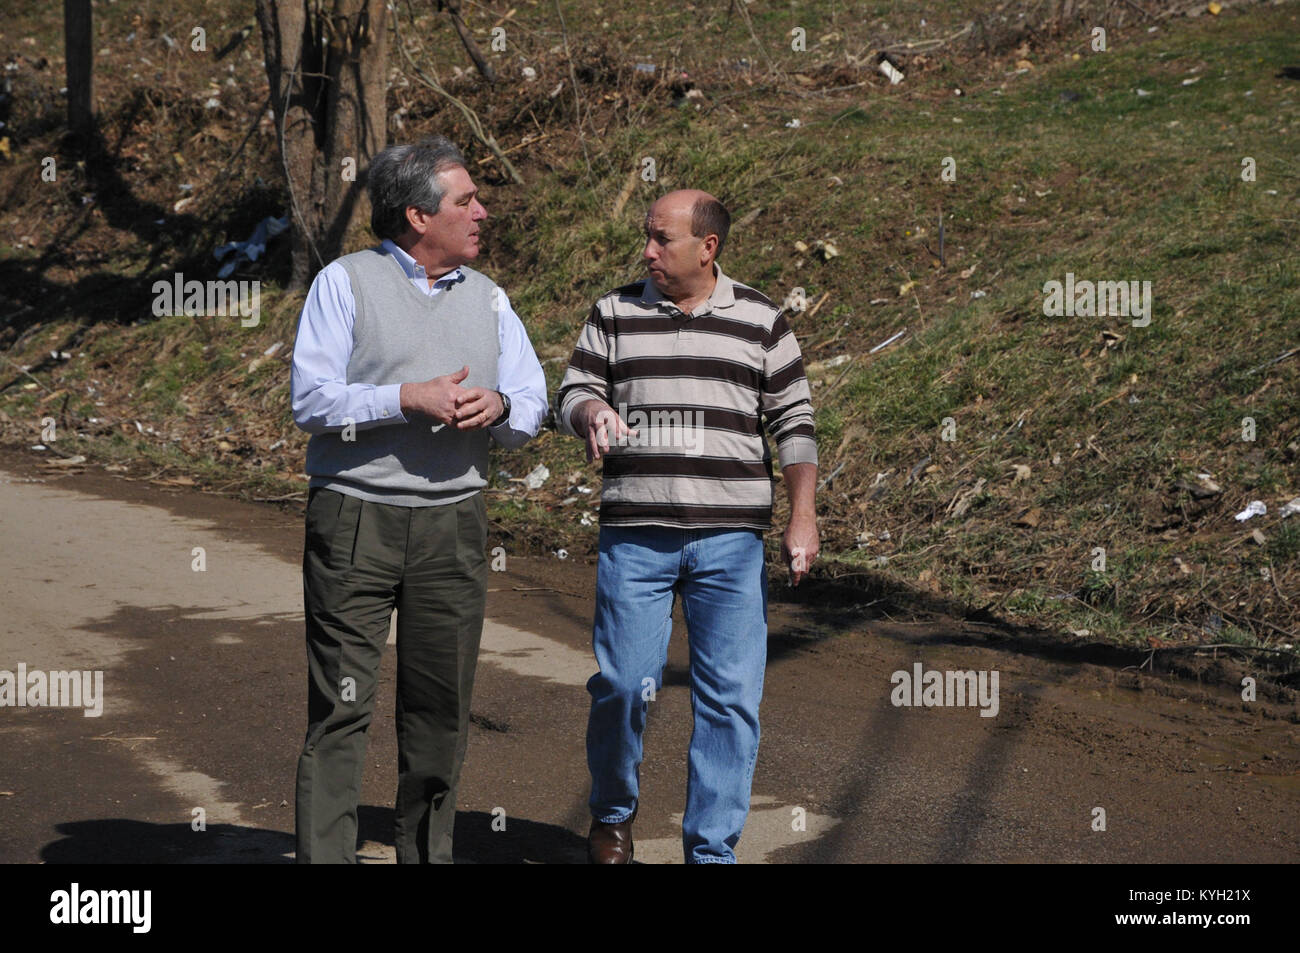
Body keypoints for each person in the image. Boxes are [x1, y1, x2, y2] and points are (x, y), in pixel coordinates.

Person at [289, 136, 547, 863]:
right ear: (417, 216)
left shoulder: (491, 298)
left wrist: (497, 405)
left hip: (454, 526)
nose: (482, 213)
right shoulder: (345, 283)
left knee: (440, 709)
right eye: (466, 201)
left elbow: (533, 404)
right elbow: (311, 400)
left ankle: (426, 856)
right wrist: (405, 398)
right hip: (354, 518)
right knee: (341, 708)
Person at [556, 189, 819, 864]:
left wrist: (803, 515)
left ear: (708, 247)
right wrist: (591, 415)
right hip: (635, 536)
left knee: (729, 701)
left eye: (661, 240)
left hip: (731, 543)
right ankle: (612, 814)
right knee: (622, 684)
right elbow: (575, 390)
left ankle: (711, 850)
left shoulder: (761, 318)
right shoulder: (615, 310)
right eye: (646, 236)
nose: (647, 251)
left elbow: (794, 423)